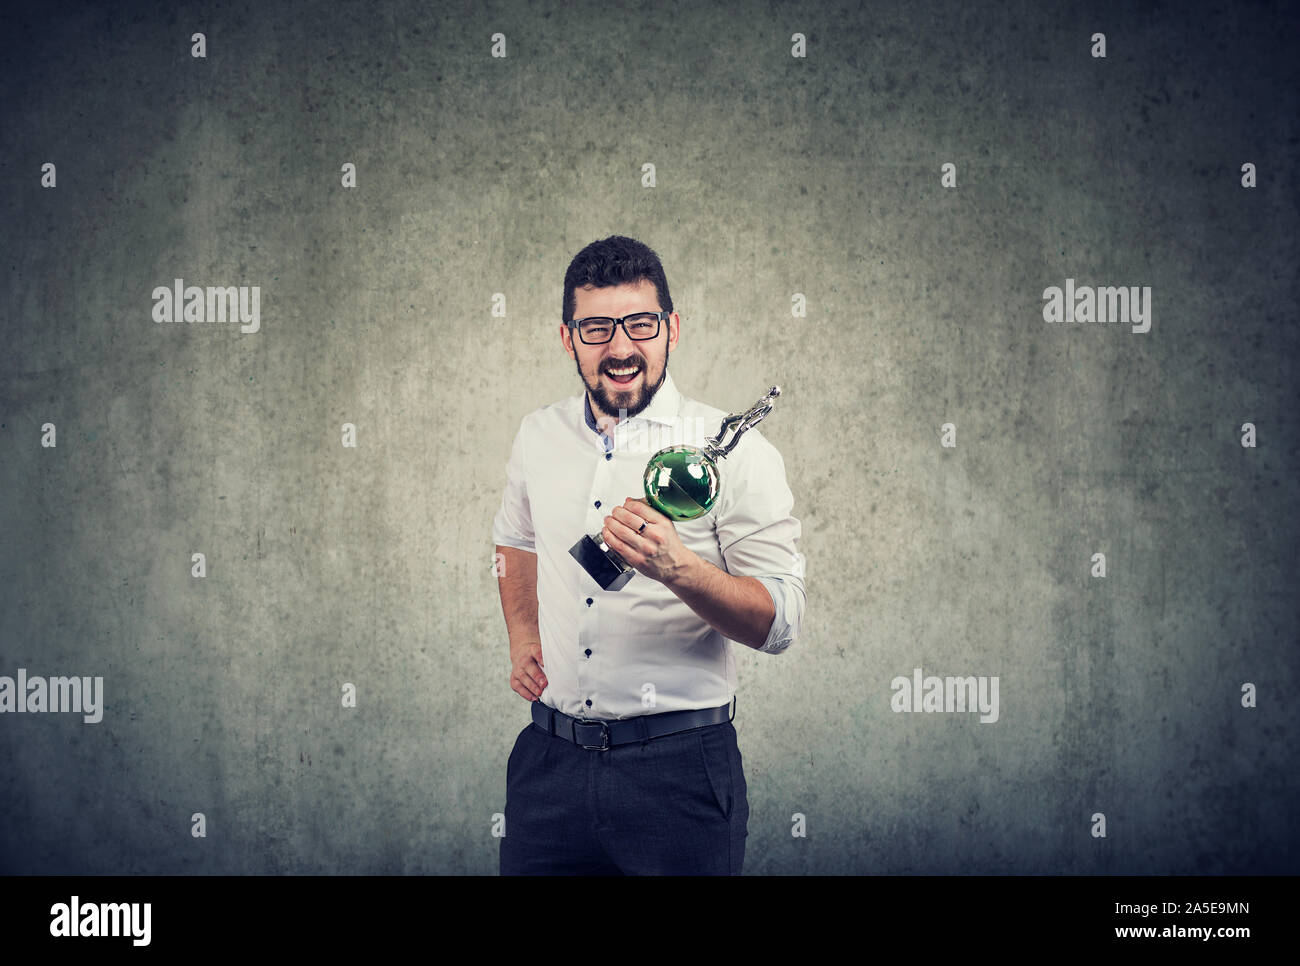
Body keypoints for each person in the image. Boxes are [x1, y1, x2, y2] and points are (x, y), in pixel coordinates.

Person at [492, 235, 806, 875]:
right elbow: (516, 538)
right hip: (547, 770)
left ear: (672, 328)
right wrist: (524, 632)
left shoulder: (737, 456)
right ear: (567, 337)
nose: (621, 347)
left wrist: (680, 569)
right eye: (596, 327)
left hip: (679, 777)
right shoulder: (537, 434)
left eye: (640, 323)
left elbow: (780, 624)